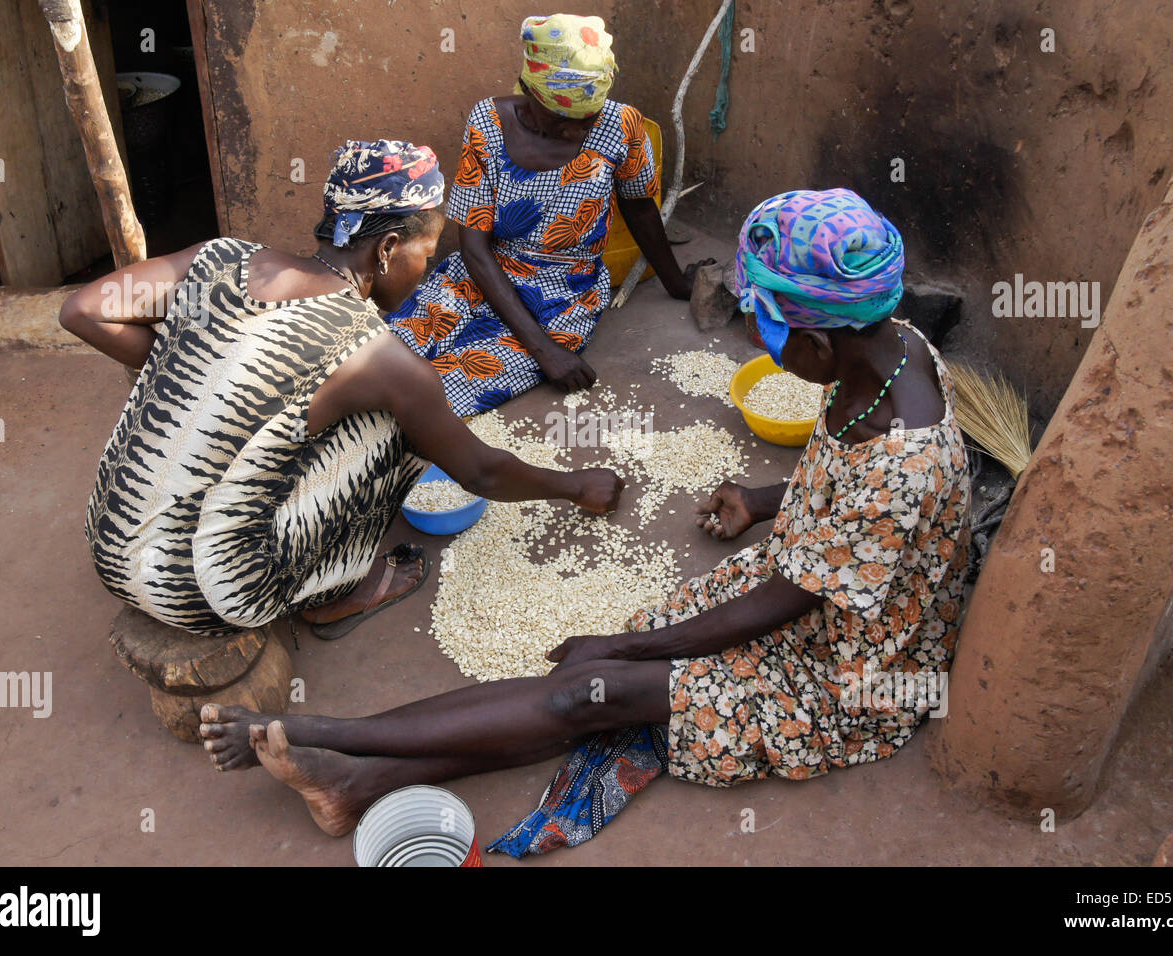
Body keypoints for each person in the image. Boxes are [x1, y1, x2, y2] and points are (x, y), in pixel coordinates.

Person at [197, 189, 971, 854]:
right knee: (592, 685)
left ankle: (327, 734)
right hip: (804, 580)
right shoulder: (891, 345)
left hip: (846, 673)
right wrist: (767, 502)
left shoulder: (904, 461)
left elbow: (794, 596)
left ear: (813, 341)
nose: (754, 339)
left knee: (588, 688)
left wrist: (624, 645)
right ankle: (357, 780)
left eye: (763, 327)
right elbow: (840, 502)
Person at [62, 139, 623, 642]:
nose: (426, 273)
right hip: (201, 595)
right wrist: (574, 487)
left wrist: (189, 366)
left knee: (294, 413)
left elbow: (82, 310)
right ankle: (343, 588)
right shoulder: (377, 355)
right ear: (388, 248)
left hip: (108, 542)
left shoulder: (222, 256)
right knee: (402, 426)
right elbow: (481, 472)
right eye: (426, 256)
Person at [385, 13, 707, 416]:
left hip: (566, 291)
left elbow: (640, 208)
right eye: (564, 120)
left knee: (448, 390)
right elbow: (474, 244)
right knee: (385, 356)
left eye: (588, 121)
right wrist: (544, 351)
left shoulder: (622, 125)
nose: (577, 133)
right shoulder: (487, 123)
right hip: (481, 272)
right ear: (532, 94)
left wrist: (676, 282)